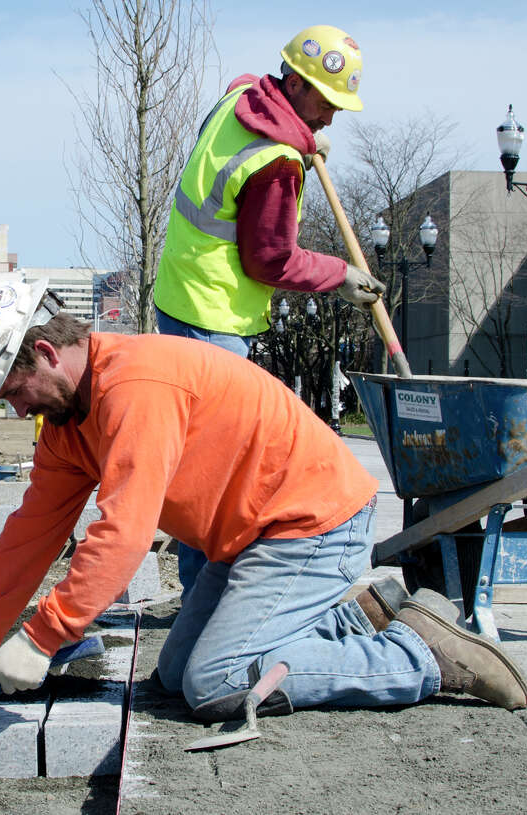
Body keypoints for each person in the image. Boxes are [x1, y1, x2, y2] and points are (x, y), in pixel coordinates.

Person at [0, 279, 527, 723]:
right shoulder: (66, 424)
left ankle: (421, 655)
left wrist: (42, 637)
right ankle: (356, 614)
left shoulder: (134, 388)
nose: (16, 409)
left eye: (13, 390)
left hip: (313, 524)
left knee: (213, 683)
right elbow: (29, 536)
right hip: (252, 540)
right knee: (172, 677)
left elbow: (124, 535)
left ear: (46, 354)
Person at [153, 24, 389, 597]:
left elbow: (249, 92)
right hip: (215, 320)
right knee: (216, 472)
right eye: (327, 104)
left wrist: (305, 142)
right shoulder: (277, 164)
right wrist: (341, 275)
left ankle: (201, 596)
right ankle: (205, 602)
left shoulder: (240, 97)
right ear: (300, 85)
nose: (331, 117)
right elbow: (270, 261)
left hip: (178, 296)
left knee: (197, 460)